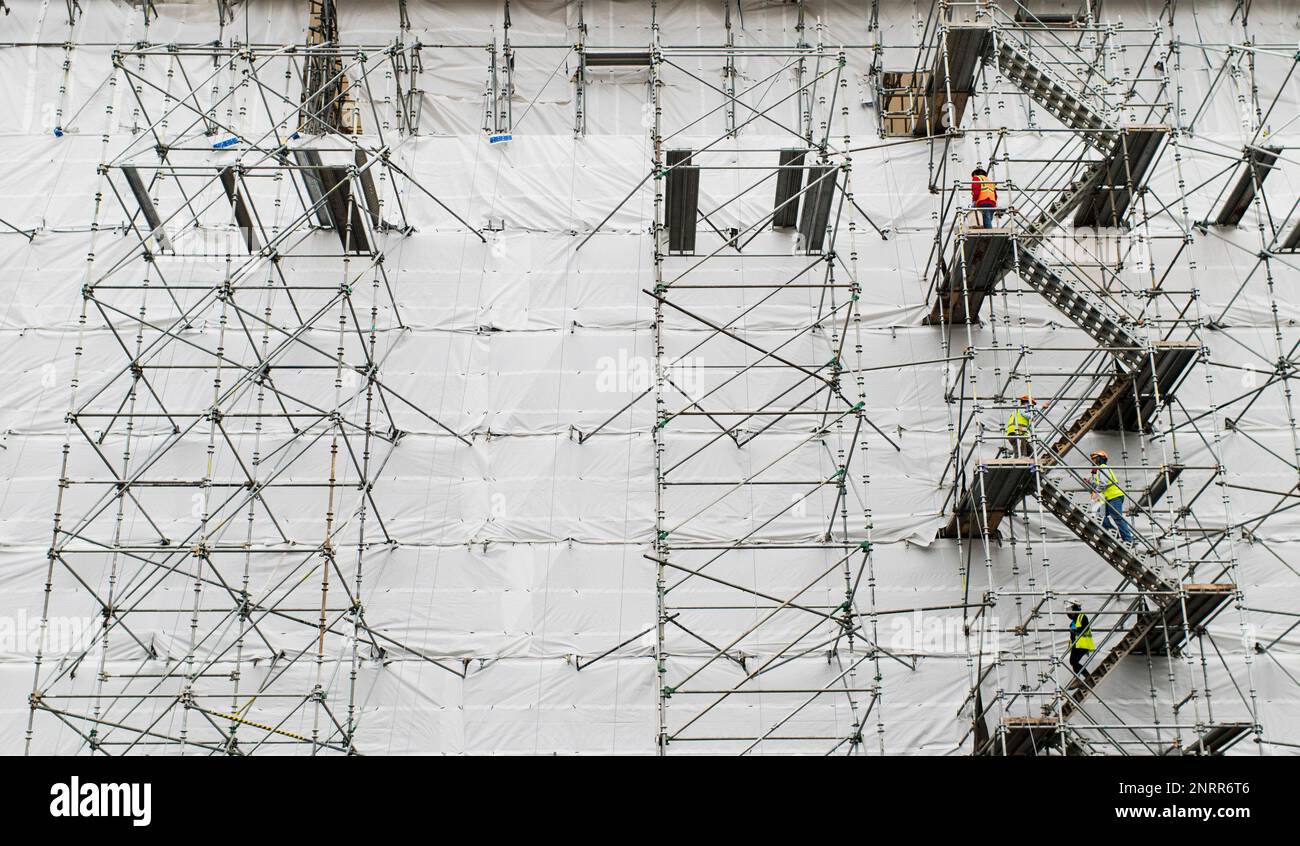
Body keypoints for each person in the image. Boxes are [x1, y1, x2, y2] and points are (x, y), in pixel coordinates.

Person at [1090, 450, 1133, 542]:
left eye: (1095, 459)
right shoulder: (1099, 470)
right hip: (1109, 498)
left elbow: (1104, 483)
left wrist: (1096, 490)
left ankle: (1128, 539)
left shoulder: (1103, 467)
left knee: (1117, 517)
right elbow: (1099, 483)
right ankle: (1113, 532)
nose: (1093, 461)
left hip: (1115, 496)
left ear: (1100, 459)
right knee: (1100, 515)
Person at [1067, 602, 1095, 675]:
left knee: (1073, 662)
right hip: (1077, 645)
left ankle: (1086, 676)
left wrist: (1074, 630)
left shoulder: (1082, 617)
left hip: (1083, 645)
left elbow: (1084, 629)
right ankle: (1079, 678)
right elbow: (1073, 635)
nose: (1069, 612)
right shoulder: (1073, 622)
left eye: (1070, 609)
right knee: (1073, 662)